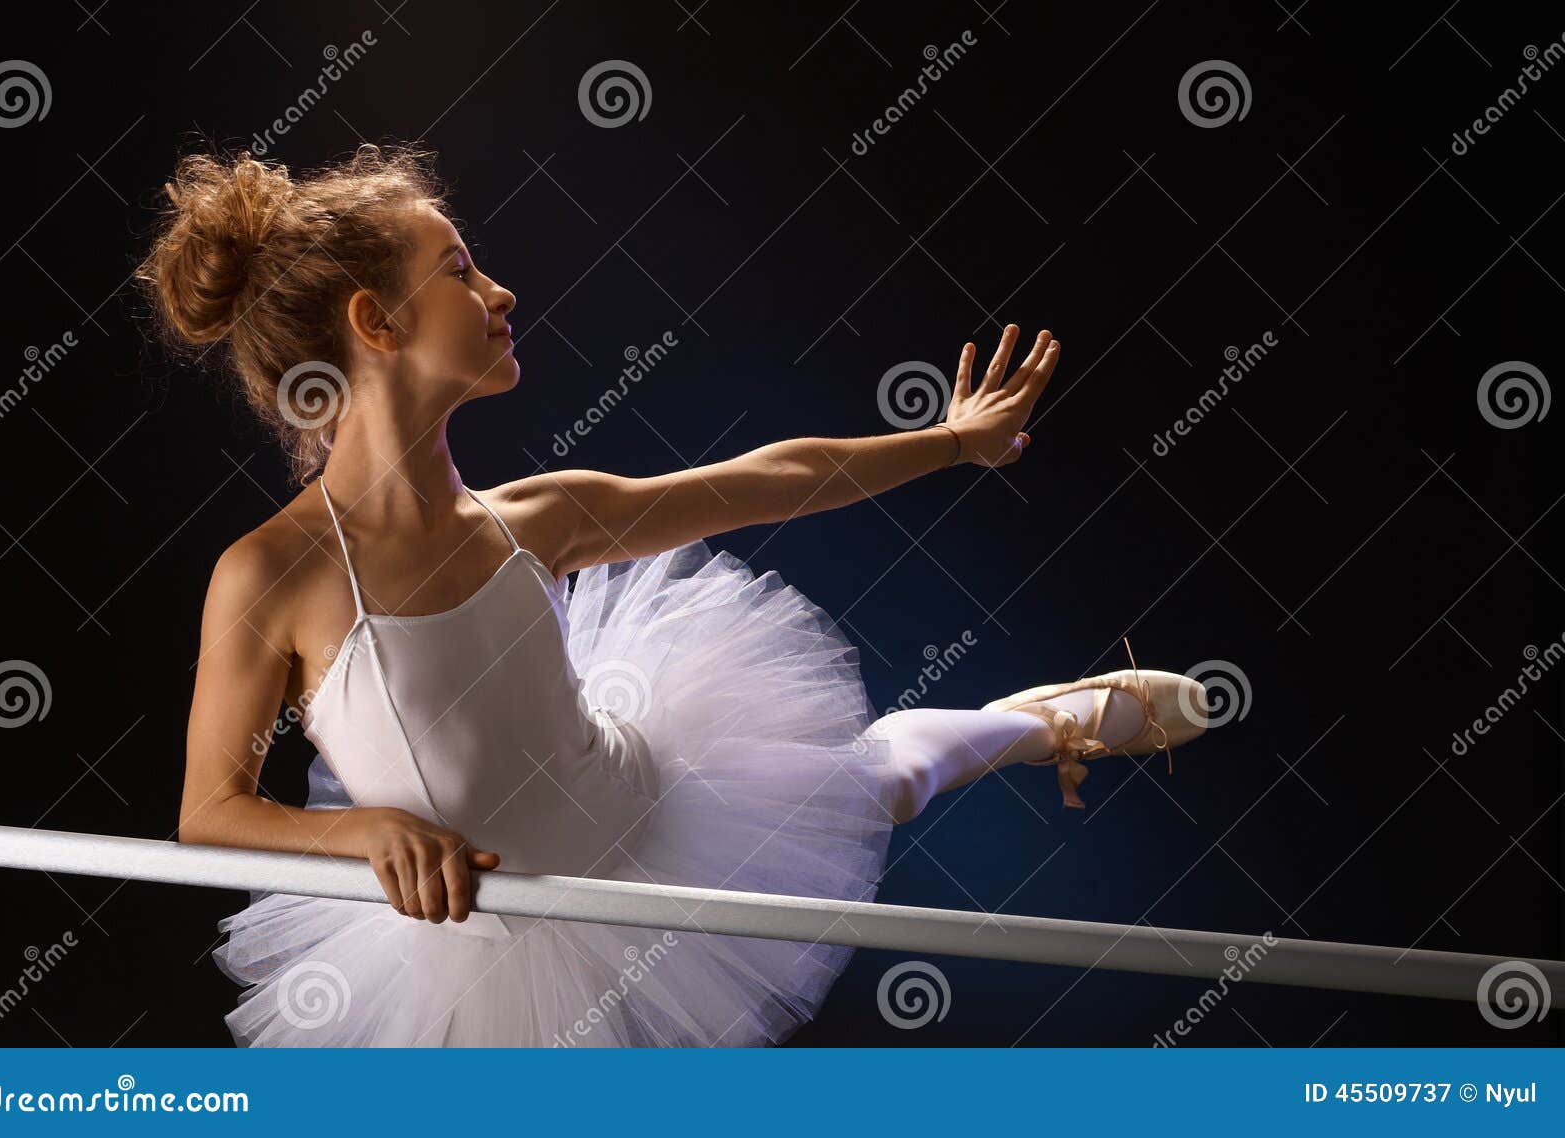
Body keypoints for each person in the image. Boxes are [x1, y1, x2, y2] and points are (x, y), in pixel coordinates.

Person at [141, 144, 1210, 1047]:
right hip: (480, 951)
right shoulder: (273, 574)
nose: (499, 292)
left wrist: (952, 442)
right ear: (377, 323)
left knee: (881, 778)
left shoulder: (537, 518)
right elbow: (209, 813)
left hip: (643, 815)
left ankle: (1040, 724)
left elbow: (770, 480)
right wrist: (365, 832)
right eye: (460, 270)